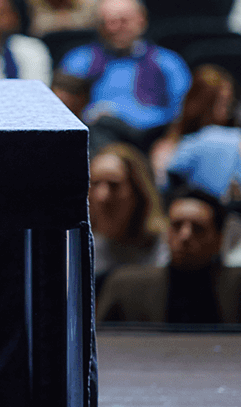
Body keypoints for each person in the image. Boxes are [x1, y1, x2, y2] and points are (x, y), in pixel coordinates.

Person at [52, 0, 192, 152]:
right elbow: (60, 112)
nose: (113, 28)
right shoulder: (80, 60)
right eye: (107, 22)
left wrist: (170, 141)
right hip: (94, 140)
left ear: (141, 20)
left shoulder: (167, 62)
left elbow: (184, 113)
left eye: (123, 21)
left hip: (151, 139)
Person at [98, 187, 241, 323]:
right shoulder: (125, 287)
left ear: (219, 240)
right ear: (166, 233)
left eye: (198, 229)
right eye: (177, 226)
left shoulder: (237, 287)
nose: (185, 236)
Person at [89, 143, 169, 289]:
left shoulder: (165, 247)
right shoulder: (78, 247)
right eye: (94, 184)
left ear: (138, 194)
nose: (102, 196)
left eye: (114, 185)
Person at [164, 66, 241, 199]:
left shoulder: (168, 147)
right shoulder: (169, 146)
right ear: (203, 102)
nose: (228, 111)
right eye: (223, 103)